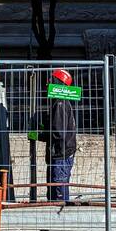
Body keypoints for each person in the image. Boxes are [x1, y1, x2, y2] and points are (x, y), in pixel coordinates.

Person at [44, 68, 78, 202]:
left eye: (50, 80)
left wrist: (42, 134)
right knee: (56, 186)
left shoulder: (59, 103)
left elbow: (59, 132)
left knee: (58, 187)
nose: (47, 84)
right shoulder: (60, 102)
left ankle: (61, 217)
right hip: (61, 151)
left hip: (61, 153)